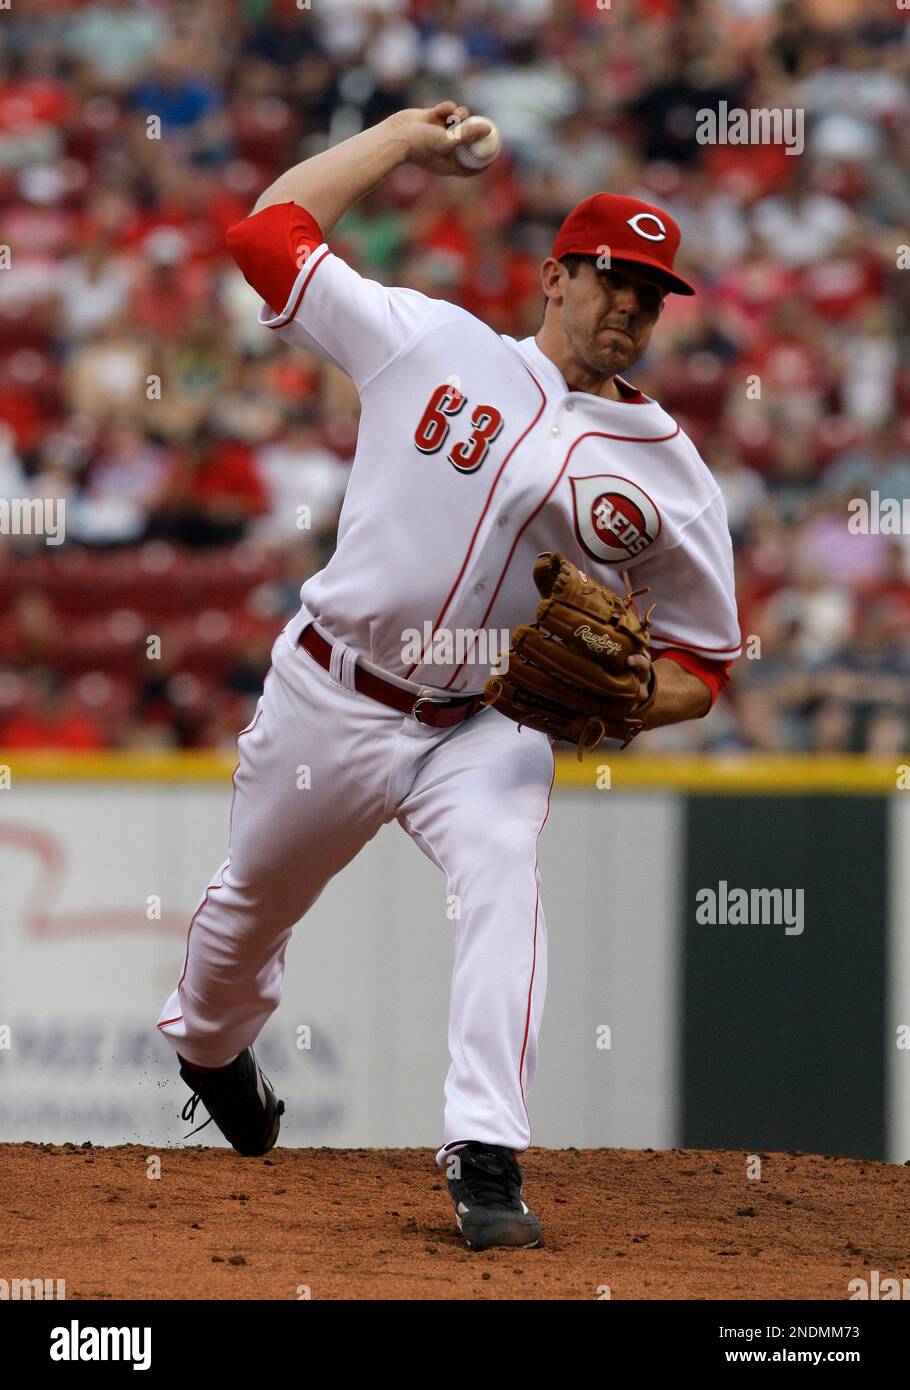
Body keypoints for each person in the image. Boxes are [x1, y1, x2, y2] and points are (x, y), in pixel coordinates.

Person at [157, 102, 740, 1252]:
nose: (630, 302)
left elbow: (703, 665)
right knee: (241, 917)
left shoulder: (672, 475)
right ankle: (211, 1045)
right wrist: (396, 142)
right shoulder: (426, 340)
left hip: (487, 723)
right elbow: (265, 236)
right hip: (333, 693)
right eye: (611, 276)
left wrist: (626, 701)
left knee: (501, 877)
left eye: (651, 291)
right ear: (552, 277)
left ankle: (484, 1154)